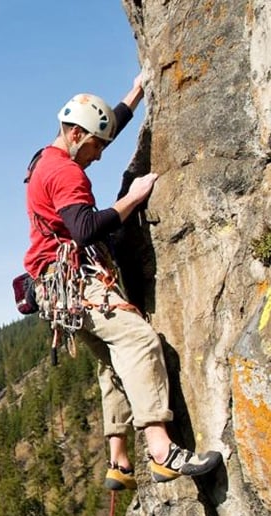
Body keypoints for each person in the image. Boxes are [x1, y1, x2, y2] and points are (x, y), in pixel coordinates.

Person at [23, 74, 222, 490]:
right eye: (95, 146)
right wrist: (134, 196)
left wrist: (136, 92)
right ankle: (161, 449)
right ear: (76, 134)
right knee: (138, 341)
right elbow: (85, 229)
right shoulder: (67, 175)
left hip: (54, 286)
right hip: (76, 281)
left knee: (114, 362)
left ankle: (119, 459)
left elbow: (103, 126)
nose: (98, 155)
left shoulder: (48, 158)